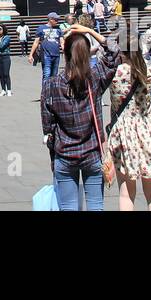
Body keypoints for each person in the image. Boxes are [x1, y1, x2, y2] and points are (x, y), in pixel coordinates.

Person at [41, 25, 119, 211]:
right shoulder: (95, 79)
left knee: (68, 207)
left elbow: (48, 127)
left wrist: (54, 155)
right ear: (88, 54)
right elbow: (115, 51)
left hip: (65, 154)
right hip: (92, 153)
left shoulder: (51, 85)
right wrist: (89, 31)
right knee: (95, 206)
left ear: (65, 54)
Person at [108, 46, 151, 211]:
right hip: (150, 129)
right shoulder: (150, 71)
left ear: (120, 52)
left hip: (124, 130)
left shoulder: (115, 73)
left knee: (126, 193)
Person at [31, 12, 65, 86]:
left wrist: (65, 51)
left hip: (56, 55)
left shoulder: (58, 29)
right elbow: (36, 42)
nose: (57, 21)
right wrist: (31, 55)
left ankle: (53, 94)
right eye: (55, 19)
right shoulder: (41, 28)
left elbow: (62, 42)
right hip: (46, 55)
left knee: (54, 76)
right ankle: (46, 94)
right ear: (50, 19)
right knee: (47, 74)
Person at [0, 22, 13, 96]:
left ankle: (9, 90)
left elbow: (2, 46)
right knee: (0, 74)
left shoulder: (7, 37)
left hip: (5, 56)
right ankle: (3, 89)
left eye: (0, 29)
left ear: (3, 29)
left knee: (6, 73)